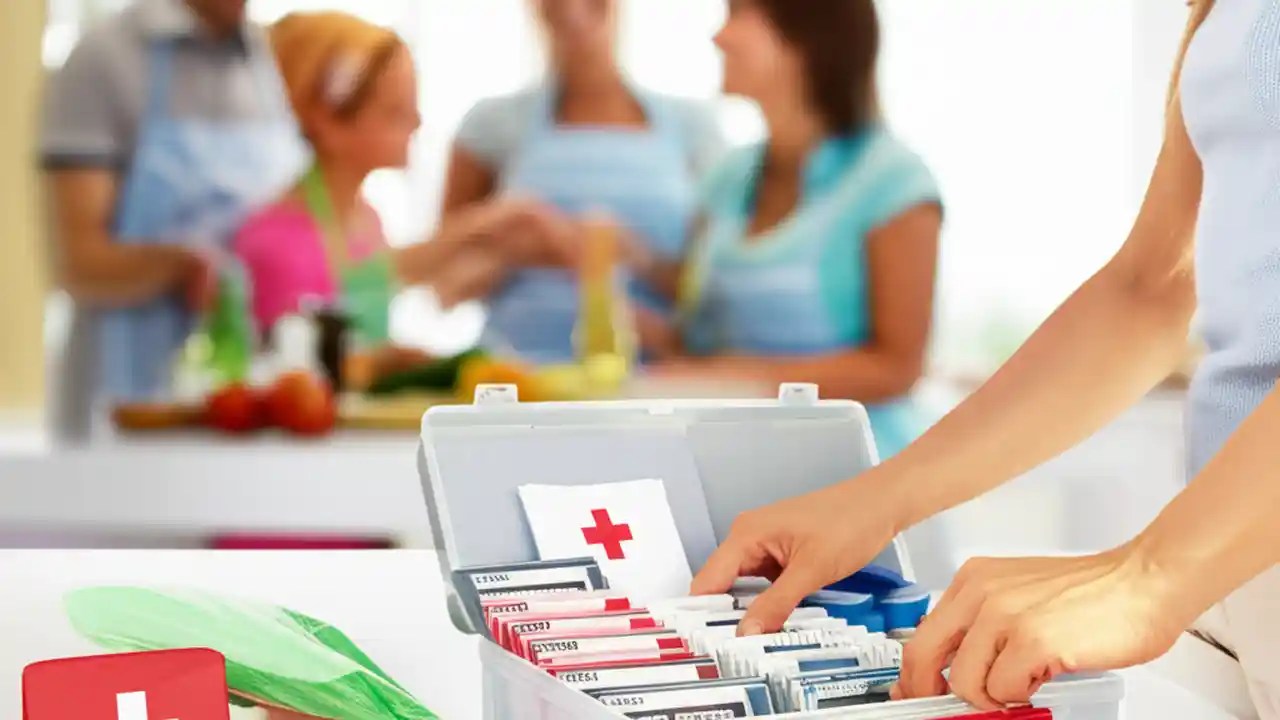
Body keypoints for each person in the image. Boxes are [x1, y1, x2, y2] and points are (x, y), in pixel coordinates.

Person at [691, 0, 1280, 715]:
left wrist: (1150, 574)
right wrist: (878, 499)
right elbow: (1151, 286)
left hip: (1197, 564)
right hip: (1230, 577)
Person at [646, 0, 942, 460]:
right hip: (728, 457)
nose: (718, 37)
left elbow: (897, 367)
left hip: (856, 466)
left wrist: (733, 378)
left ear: (806, 37)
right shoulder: (727, 179)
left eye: (739, 15)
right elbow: (697, 337)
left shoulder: (893, 181)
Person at [236, 12, 574, 378]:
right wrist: (486, 222)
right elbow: (303, 366)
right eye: (395, 111)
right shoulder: (274, 241)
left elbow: (377, 292)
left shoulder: (366, 219)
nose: (417, 122)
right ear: (327, 123)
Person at [40, 0, 307, 441]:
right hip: (120, 409)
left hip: (237, 410)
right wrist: (182, 265)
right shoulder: (105, 58)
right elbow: (79, 263)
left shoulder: (260, 58)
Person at [441, 0, 725, 365]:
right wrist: (513, 252)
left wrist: (637, 257)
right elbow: (443, 288)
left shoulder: (695, 128)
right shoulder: (490, 124)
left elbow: (717, 294)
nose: (573, 8)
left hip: (652, 378)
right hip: (514, 378)